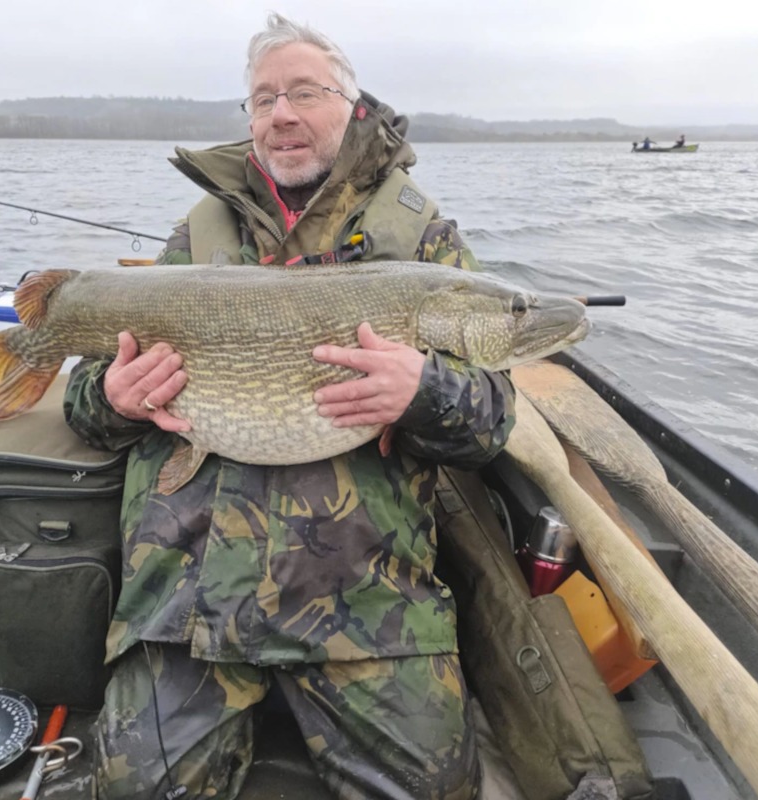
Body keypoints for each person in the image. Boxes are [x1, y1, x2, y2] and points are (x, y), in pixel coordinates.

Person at [64, 12, 514, 800]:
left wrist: (423, 390)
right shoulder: (196, 240)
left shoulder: (421, 241)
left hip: (367, 602)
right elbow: (83, 403)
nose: (281, 114)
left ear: (351, 106)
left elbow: (491, 420)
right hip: (189, 601)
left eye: (304, 93)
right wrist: (113, 396)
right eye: (263, 98)